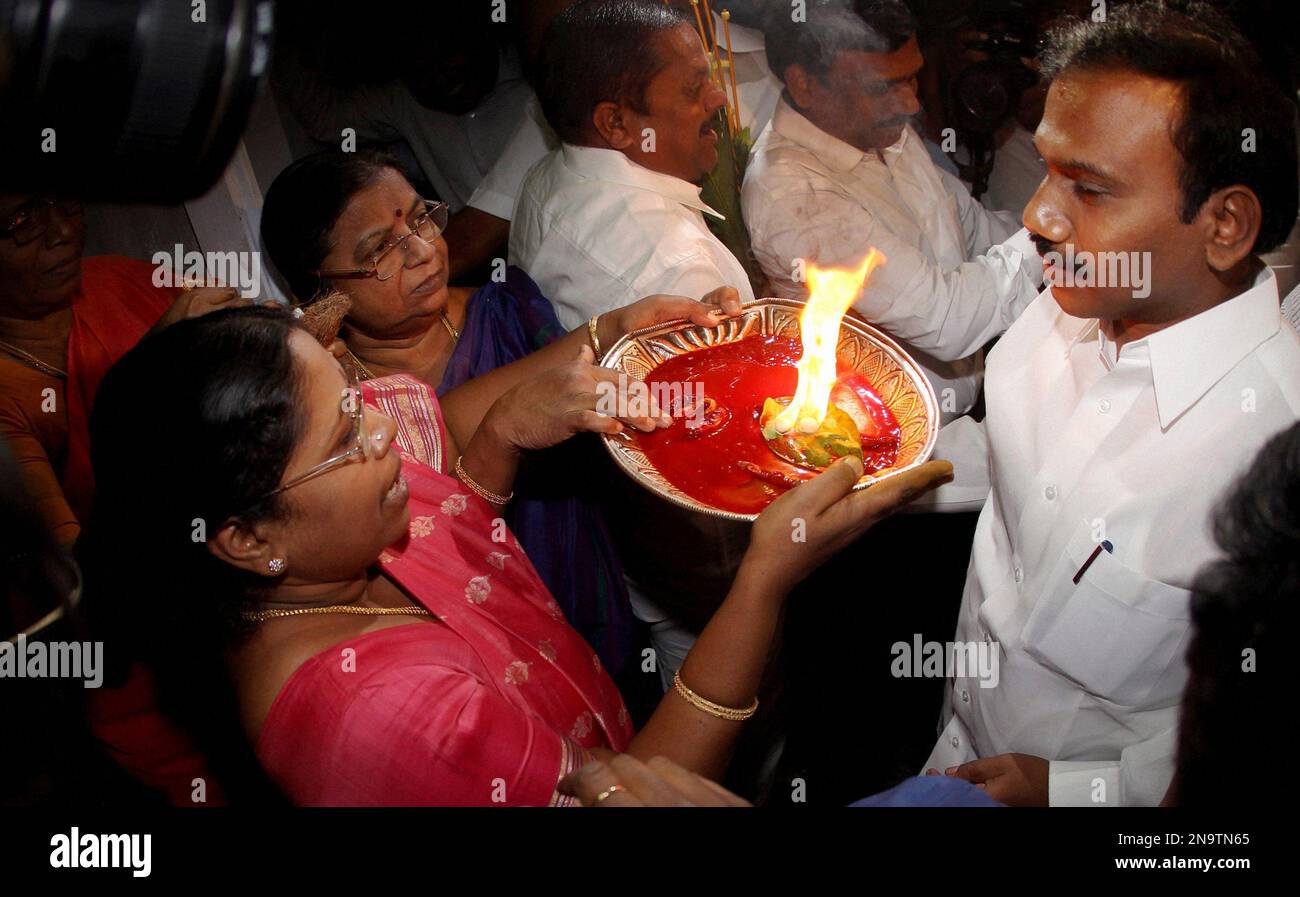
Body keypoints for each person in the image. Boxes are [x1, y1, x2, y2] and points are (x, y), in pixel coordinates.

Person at [78, 306, 952, 805]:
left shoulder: (340, 527)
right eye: (347, 433)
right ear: (246, 538)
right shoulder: (374, 717)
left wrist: (499, 436)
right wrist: (762, 580)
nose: (386, 425)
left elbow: (458, 535)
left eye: (356, 393)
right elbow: (638, 794)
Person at [915, 0, 1299, 806]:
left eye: (1089, 189)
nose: (1037, 217)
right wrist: (885, 461)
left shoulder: (1278, 456)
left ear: (1225, 224)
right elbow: (1006, 453)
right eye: (1048, 167)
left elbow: (1259, 745)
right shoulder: (1064, 307)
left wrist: (1074, 788)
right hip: (947, 749)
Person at [260, 149, 742, 673]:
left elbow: (591, 401)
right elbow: (435, 440)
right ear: (321, 292)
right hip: (474, 638)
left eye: (421, 217)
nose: (423, 250)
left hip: (588, 579)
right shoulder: (330, 406)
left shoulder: (507, 305)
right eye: (380, 249)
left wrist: (670, 349)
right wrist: (609, 328)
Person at [743, 0, 1044, 427]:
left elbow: (977, 229)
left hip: (965, 415)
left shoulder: (883, 131)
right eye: (882, 86)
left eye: (913, 78)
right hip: (885, 449)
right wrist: (1052, 230)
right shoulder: (794, 194)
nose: (909, 103)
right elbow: (948, 321)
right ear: (804, 84)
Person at [0, 193, 244, 545]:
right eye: (23, 220)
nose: (64, 231)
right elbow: (79, 574)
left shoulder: (115, 276)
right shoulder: (9, 397)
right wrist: (149, 372)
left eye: (64, 201)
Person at [510, 0, 756, 331]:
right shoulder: (679, 271)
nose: (718, 99)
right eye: (695, 89)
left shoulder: (544, 176)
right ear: (616, 124)